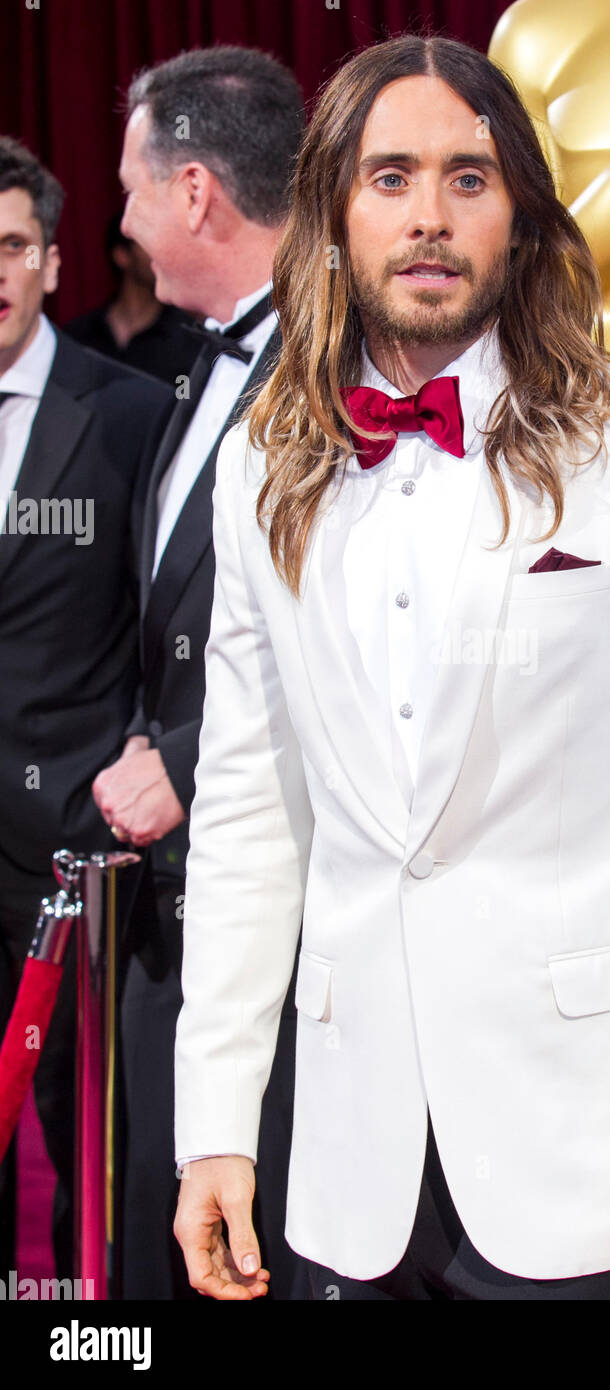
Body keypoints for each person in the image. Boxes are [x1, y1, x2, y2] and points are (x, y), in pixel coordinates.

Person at [172, 34, 610, 1302]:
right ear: (330, 213)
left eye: (468, 178)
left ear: (519, 212)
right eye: (390, 177)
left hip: (602, 1170)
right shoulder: (262, 465)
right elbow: (250, 816)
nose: (428, 216)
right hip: (350, 1172)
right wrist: (215, 1122)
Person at [90, 45, 307, 1300]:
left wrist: (178, 761)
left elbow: (333, 632)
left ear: (191, 193)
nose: (118, 219)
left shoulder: (334, 379)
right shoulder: (202, 368)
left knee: (245, 1248)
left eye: (127, 189)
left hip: (272, 912)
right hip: (170, 913)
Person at [0, 135, 171, 1277]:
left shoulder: (128, 415)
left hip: (66, 865)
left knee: (89, 1168)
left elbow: (169, 632)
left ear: (54, 262)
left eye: (8, 246)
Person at [64, 212, 199, 385]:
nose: (161, 253)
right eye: (148, 242)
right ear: (122, 256)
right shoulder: (78, 336)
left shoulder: (188, 338)